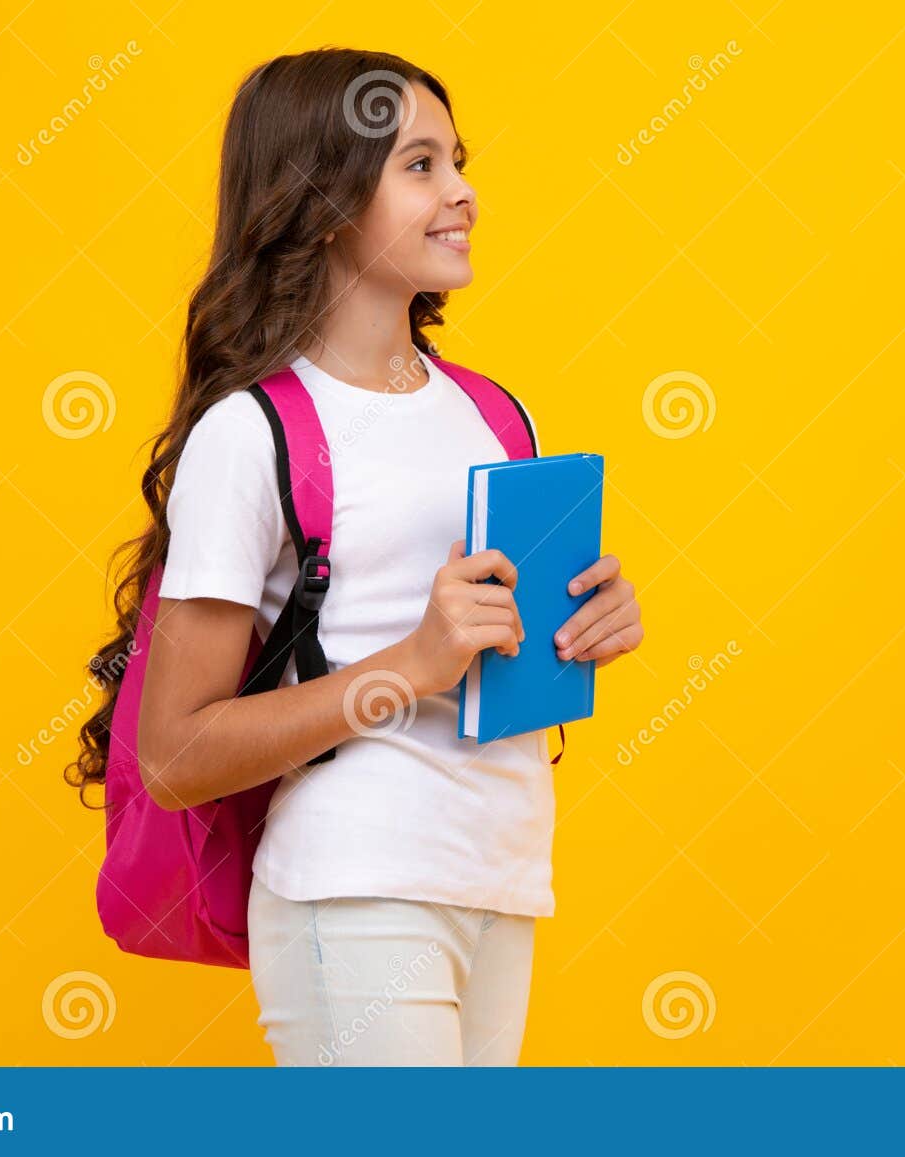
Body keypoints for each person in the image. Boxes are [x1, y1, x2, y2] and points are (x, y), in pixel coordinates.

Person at [70, 47, 644, 1065]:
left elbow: (505, 663)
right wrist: (409, 667)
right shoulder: (251, 435)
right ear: (324, 201)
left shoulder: (496, 413)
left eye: (457, 161)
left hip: (501, 873)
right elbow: (174, 754)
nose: (463, 190)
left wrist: (585, 627)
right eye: (419, 165)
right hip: (356, 882)